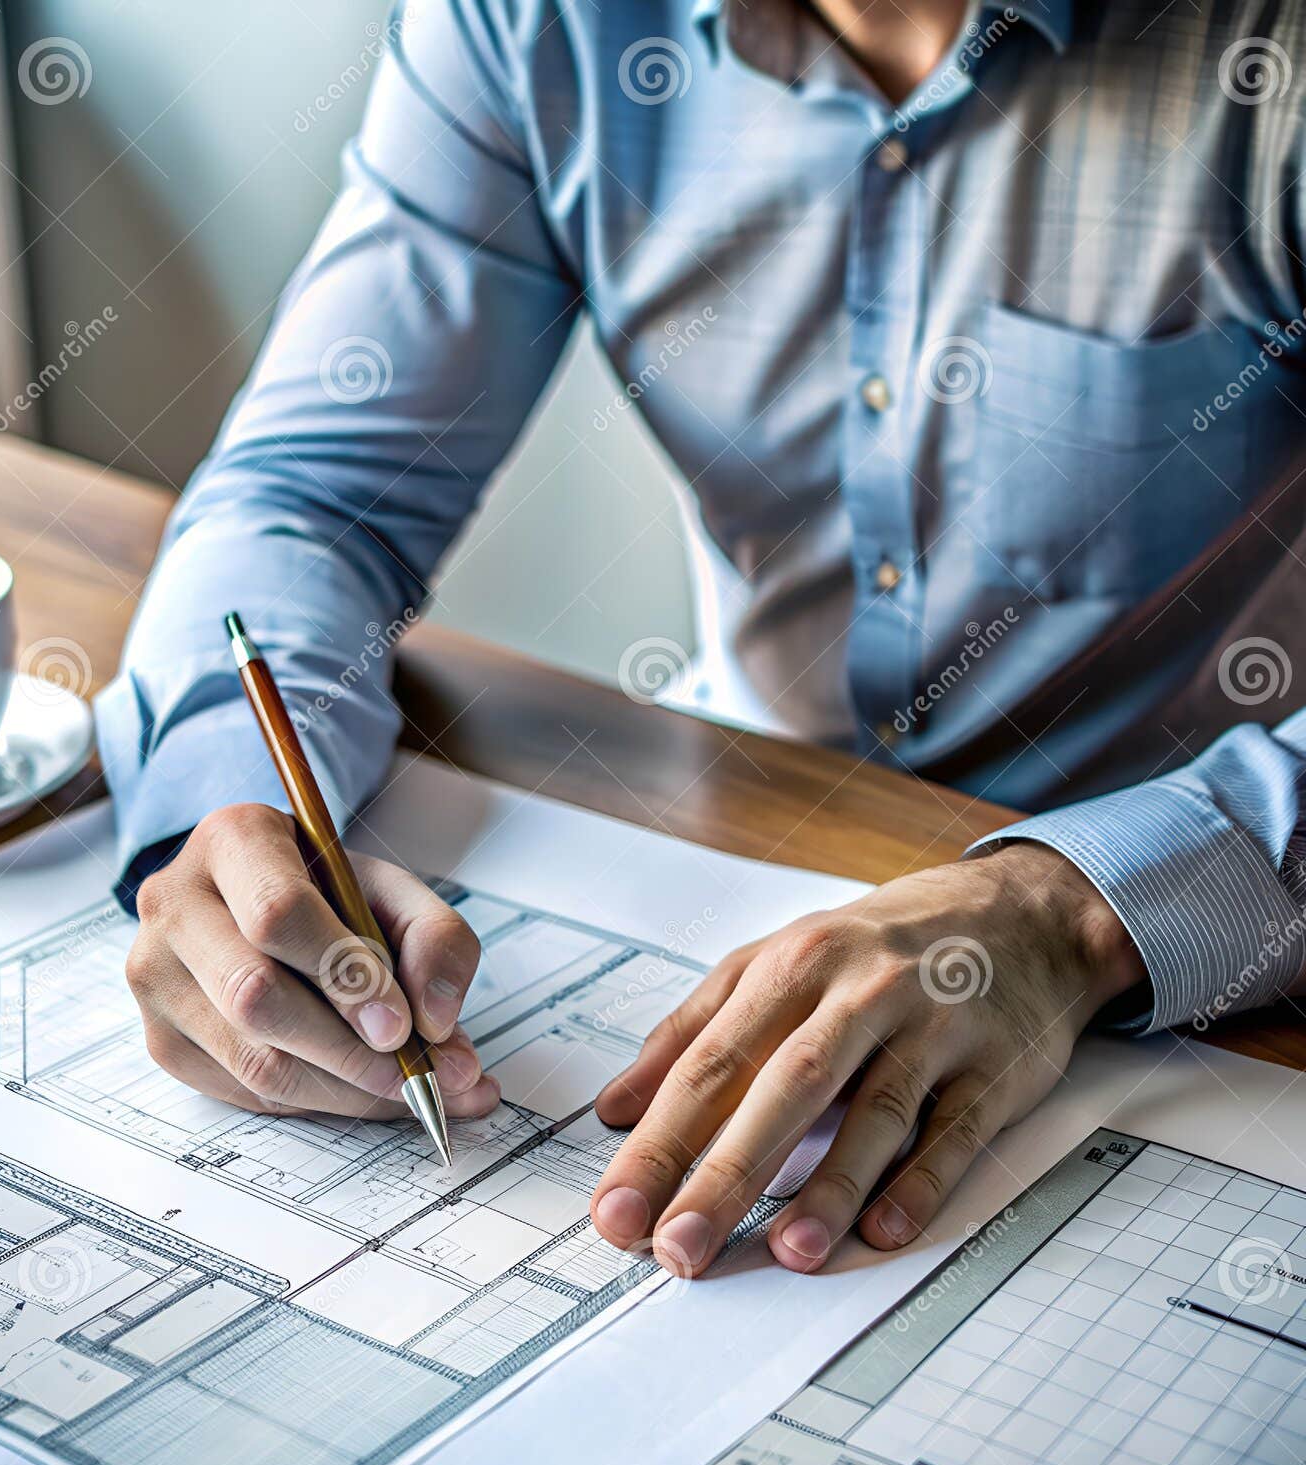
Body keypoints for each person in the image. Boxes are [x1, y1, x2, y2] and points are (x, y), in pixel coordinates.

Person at [99, 0, 1306, 1281]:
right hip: (733, 842)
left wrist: (1072, 913)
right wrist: (232, 824)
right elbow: (311, 500)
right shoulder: (534, 25)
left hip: (1208, 959)